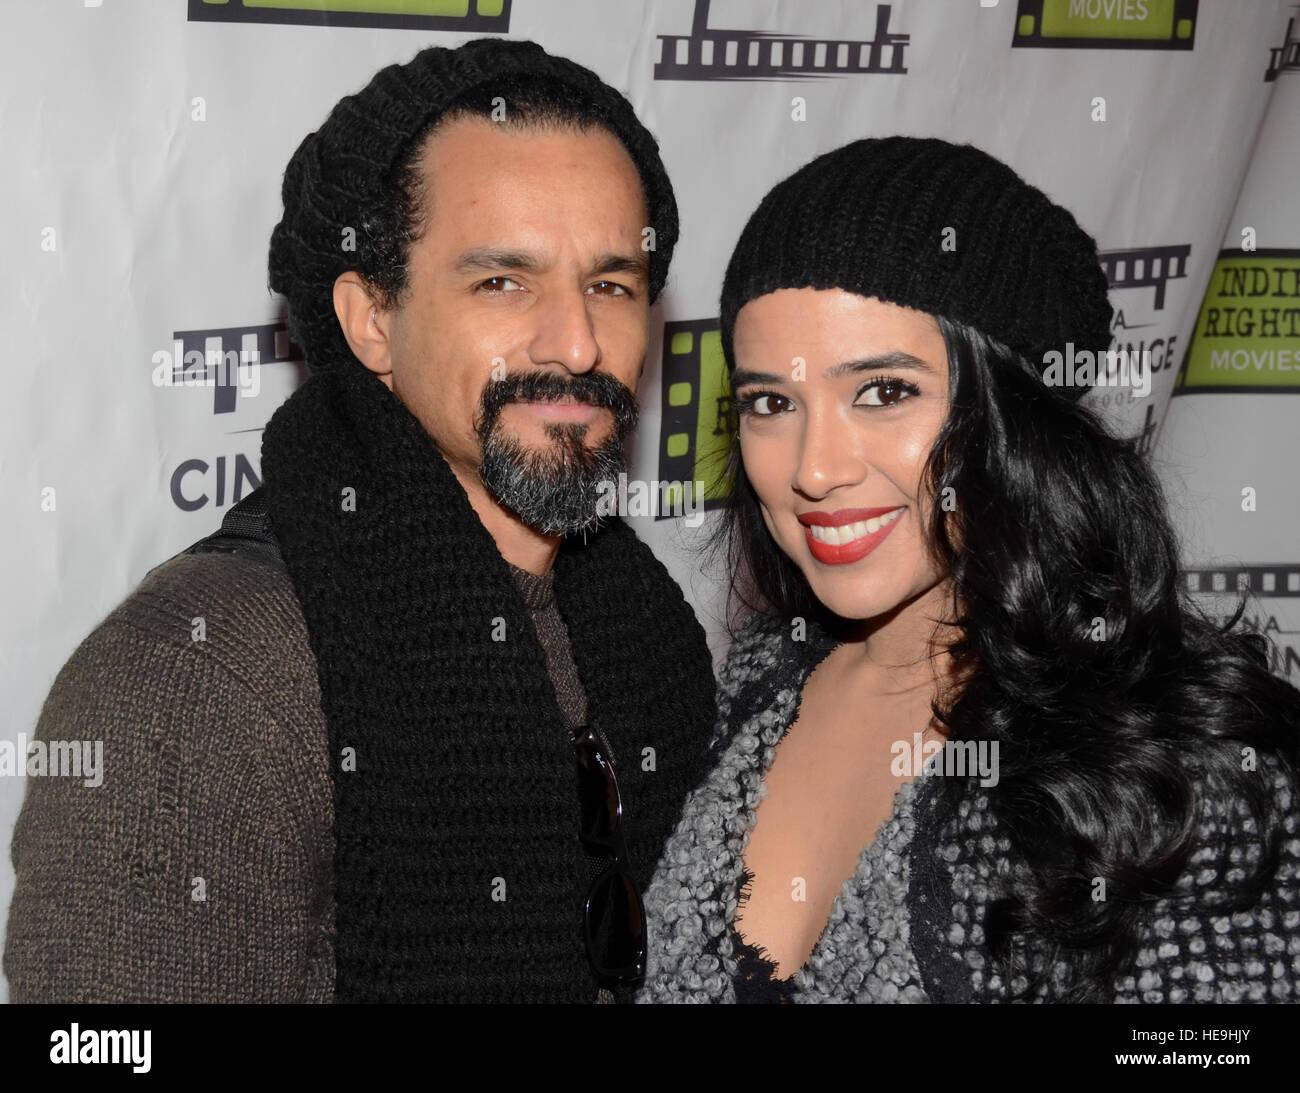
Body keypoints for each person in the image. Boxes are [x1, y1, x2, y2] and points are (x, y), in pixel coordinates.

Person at [4, 38, 717, 1004]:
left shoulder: (643, 623)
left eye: (611, 284)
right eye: (502, 281)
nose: (580, 340)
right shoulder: (198, 679)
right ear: (371, 318)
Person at [637, 136, 1300, 1003]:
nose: (814, 466)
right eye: (772, 402)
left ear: (1016, 416)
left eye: (883, 391)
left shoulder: (1174, 766)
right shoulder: (751, 687)